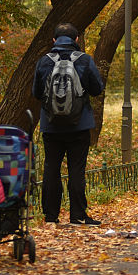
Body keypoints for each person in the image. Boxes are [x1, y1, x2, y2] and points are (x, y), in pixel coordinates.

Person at [32, 23, 105, 226]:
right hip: (79, 125)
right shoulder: (84, 60)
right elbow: (97, 89)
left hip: (51, 125)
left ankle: (50, 216)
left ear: (54, 41)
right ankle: (78, 216)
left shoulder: (44, 62)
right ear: (77, 40)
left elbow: (36, 93)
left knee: (51, 168)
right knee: (76, 169)